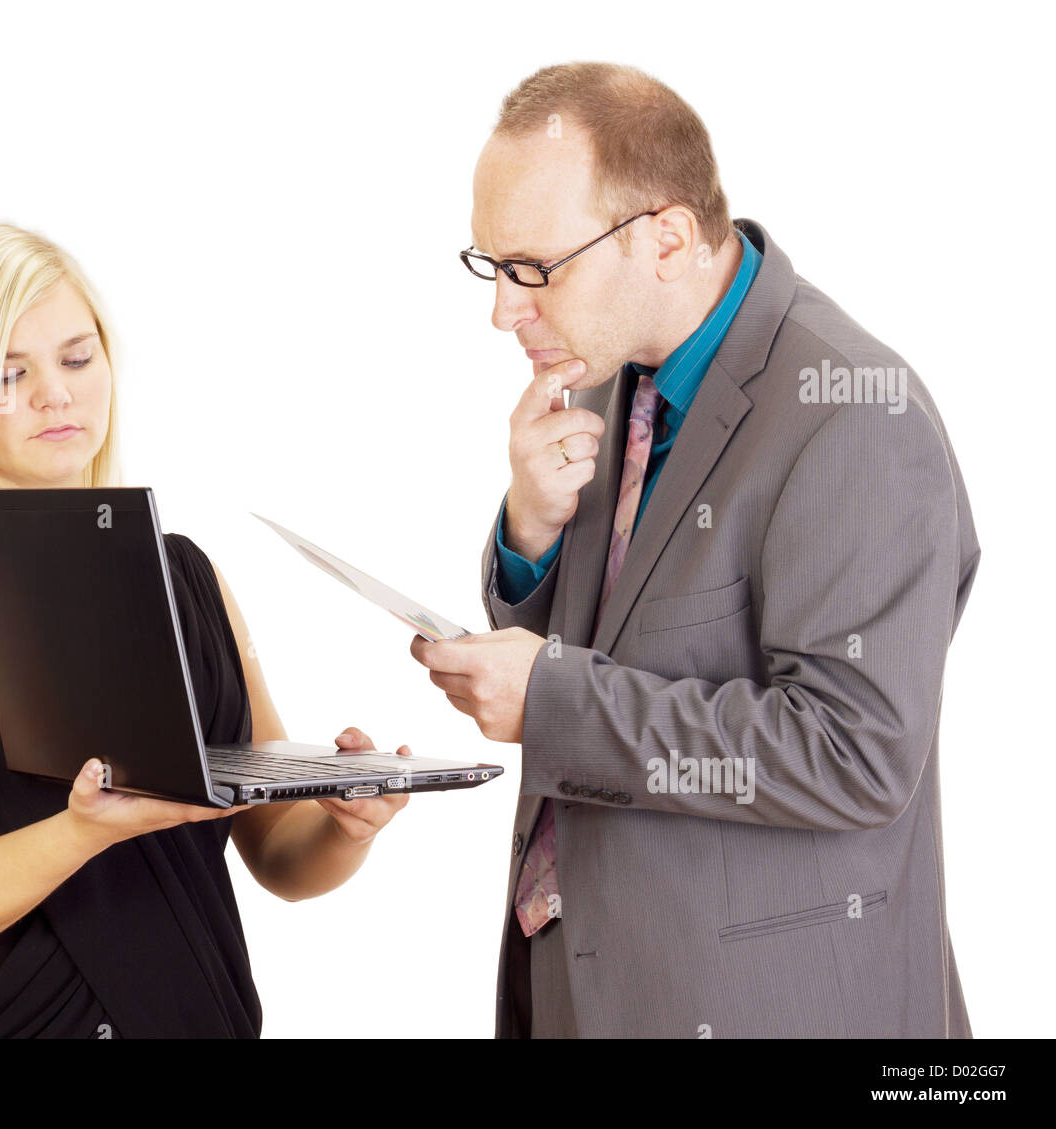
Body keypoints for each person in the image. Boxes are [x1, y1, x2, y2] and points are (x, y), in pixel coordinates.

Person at [410, 62, 979, 1037]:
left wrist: (551, 698)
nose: (503, 311)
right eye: (490, 265)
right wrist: (529, 537)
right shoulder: (611, 366)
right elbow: (630, 646)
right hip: (587, 987)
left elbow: (855, 752)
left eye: (533, 270)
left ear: (665, 238)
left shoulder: (851, 416)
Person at [0, 223, 410, 1038]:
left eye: (75, 357)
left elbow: (277, 849)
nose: (56, 395)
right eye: (8, 372)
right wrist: (78, 833)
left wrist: (345, 823)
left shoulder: (189, 580)